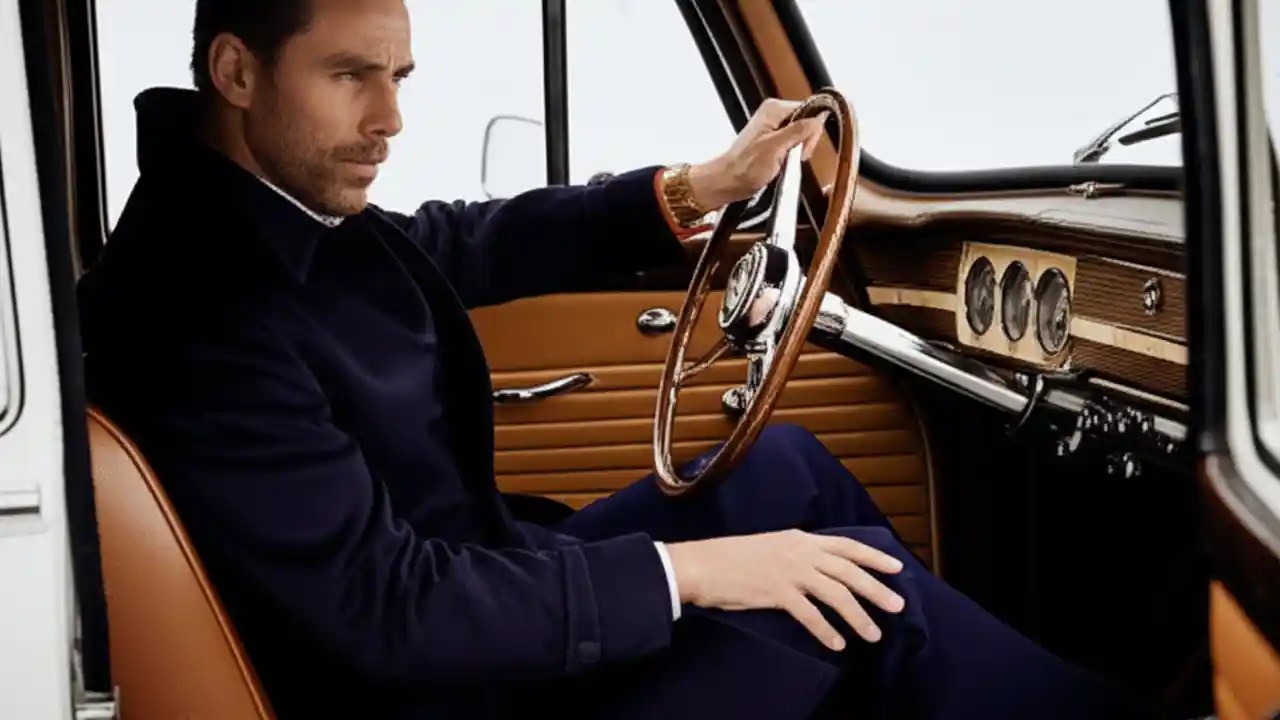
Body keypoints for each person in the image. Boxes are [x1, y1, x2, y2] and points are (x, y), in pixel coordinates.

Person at [77, 1, 1159, 718]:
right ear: (236, 70)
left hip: (481, 595)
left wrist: (697, 188)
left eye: (399, 74)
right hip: (448, 688)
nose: (391, 117)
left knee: (786, 472)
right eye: (351, 75)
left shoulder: (267, 209)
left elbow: (448, 244)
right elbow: (387, 613)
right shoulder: (201, 306)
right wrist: (692, 575)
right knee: (867, 603)